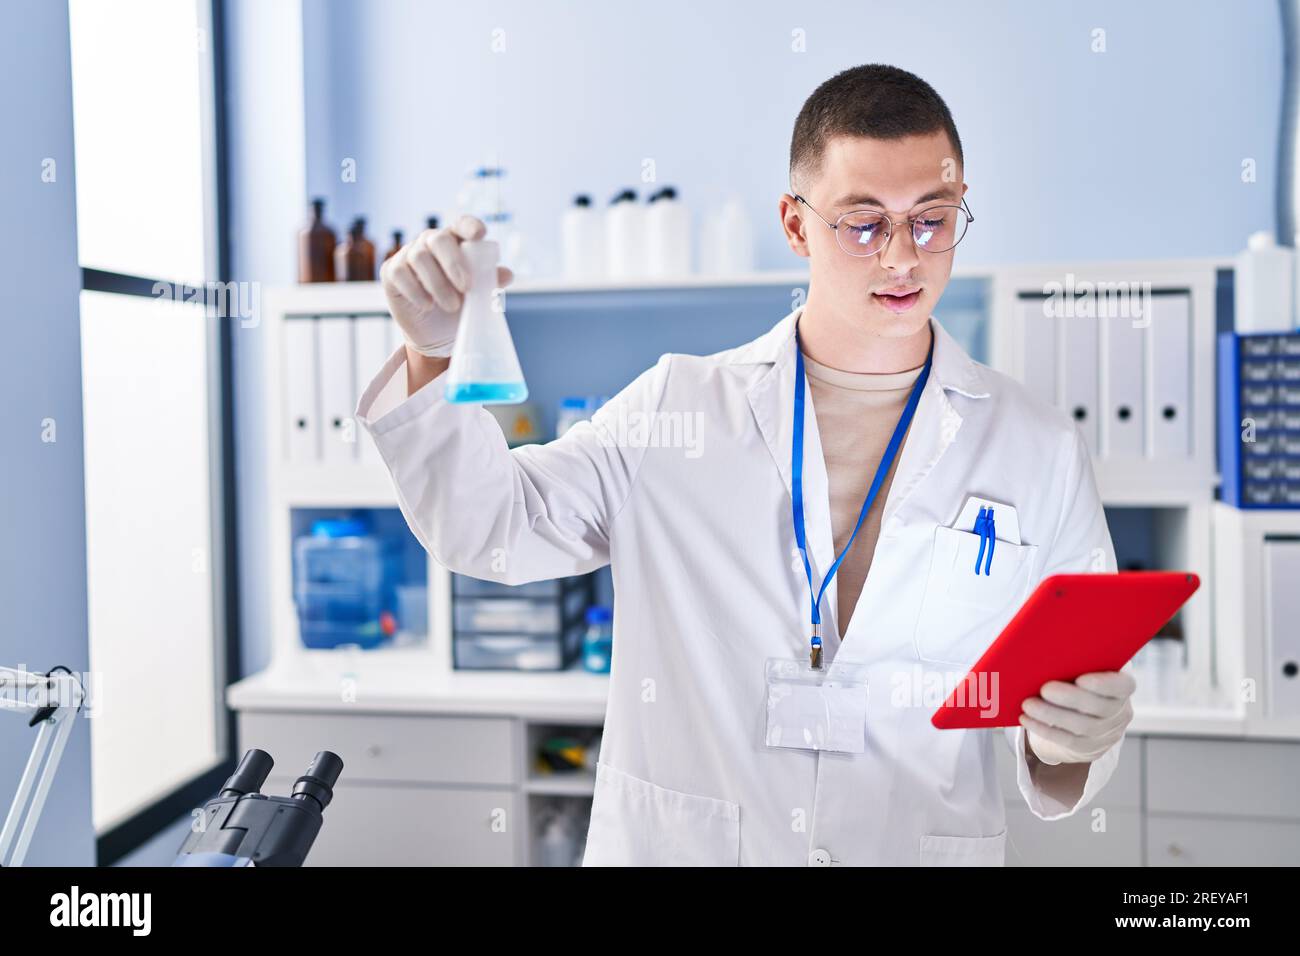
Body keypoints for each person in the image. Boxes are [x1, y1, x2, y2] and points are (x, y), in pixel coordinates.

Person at [356, 64, 1135, 866]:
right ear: (796, 227)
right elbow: (490, 528)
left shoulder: (1036, 447)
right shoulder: (677, 407)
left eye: (931, 220)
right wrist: (431, 351)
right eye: (863, 223)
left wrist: (1075, 737)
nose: (903, 256)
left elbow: (1072, 708)